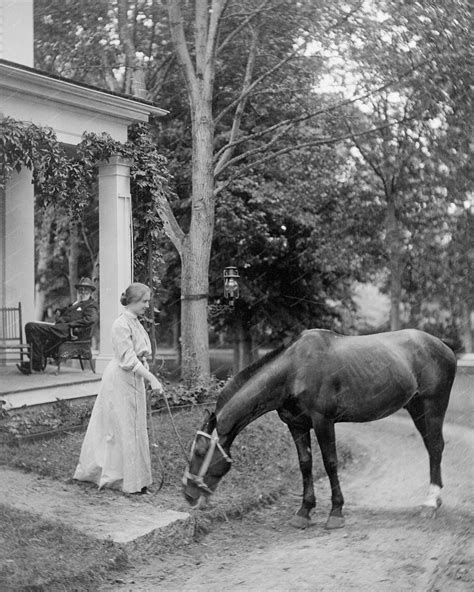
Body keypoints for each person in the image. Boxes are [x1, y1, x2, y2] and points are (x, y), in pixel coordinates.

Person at [73, 282, 163, 495]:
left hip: (133, 379)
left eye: (148, 301)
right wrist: (152, 378)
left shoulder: (136, 322)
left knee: (134, 428)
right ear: (132, 301)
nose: (147, 305)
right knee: (120, 428)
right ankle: (120, 478)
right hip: (120, 380)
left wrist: (146, 365)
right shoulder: (120, 325)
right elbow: (128, 360)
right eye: (144, 301)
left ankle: (136, 480)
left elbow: (139, 353)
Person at [17, 277, 99, 374]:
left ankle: (36, 363)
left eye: (86, 289)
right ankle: (36, 362)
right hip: (59, 329)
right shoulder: (77, 303)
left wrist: (71, 325)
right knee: (31, 327)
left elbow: (91, 319)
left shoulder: (90, 305)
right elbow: (67, 309)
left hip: (67, 332)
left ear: (91, 292)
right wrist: (59, 310)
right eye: (81, 289)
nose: (83, 292)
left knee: (32, 327)